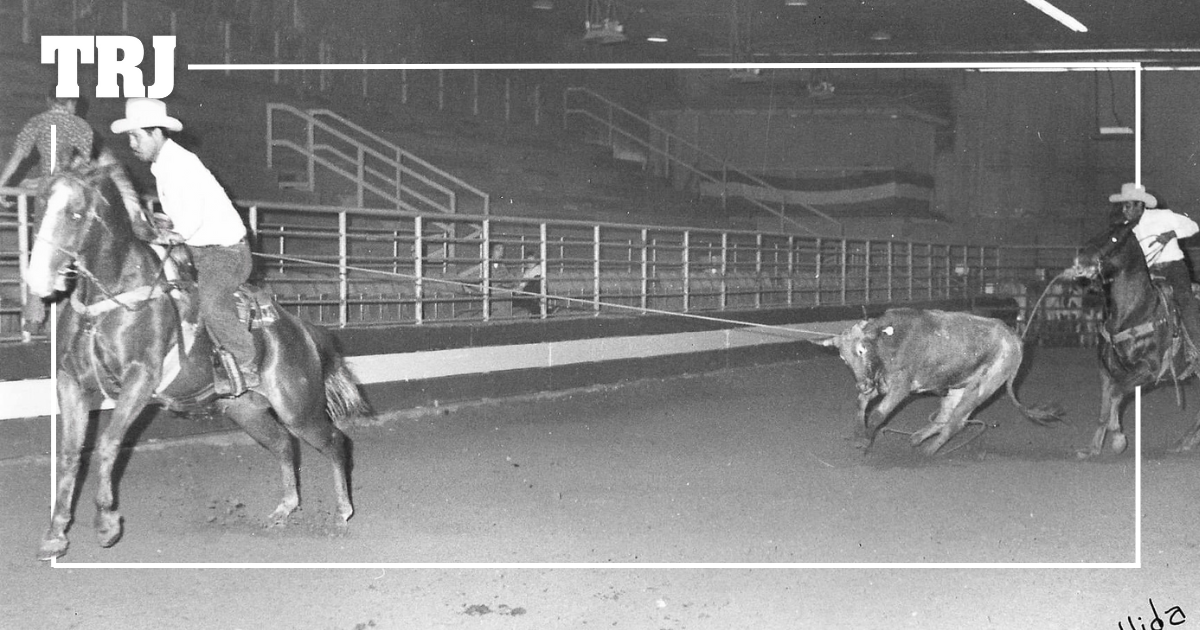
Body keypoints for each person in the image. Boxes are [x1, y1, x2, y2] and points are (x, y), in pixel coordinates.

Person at [111, 97, 259, 395]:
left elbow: (192, 218)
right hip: (198, 251)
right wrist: (162, 222)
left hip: (225, 254)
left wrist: (171, 235)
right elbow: (183, 215)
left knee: (212, 304)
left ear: (156, 133)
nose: (132, 143)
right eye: (129, 137)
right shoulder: (164, 166)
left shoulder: (181, 164)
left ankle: (247, 364)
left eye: (136, 136)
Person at [0, 88, 96, 339]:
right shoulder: (80, 125)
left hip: (46, 190)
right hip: (69, 190)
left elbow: (18, 156)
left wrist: (2, 184)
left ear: (49, 100)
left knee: (40, 248)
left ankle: (33, 316)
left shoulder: (37, 122)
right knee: (70, 248)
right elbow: (84, 165)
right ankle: (68, 311)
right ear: (72, 102)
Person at [1111, 182, 1200, 351]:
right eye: (1123, 206)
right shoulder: (1128, 229)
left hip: (1173, 267)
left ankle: (1198, 347)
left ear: (1140, 205)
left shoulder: (1163, 216)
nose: (1124, 210)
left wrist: (1172, 234)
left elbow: (1193, 226)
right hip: (1147, 271)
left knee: (1186, 300)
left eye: (1128, 206)